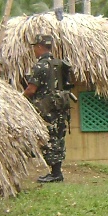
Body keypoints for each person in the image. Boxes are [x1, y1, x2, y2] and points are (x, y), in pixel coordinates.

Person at [24, 33, 73, 183]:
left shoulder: (40, 66)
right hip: (60, 106)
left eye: (35, 47)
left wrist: (20, 99)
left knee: (50, 139)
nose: (34, 51)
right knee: (58, 137)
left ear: (39, 47)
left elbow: (32, 89)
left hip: (47, 109)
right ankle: (57, 172)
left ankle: (55, 174)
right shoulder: (59, 63)